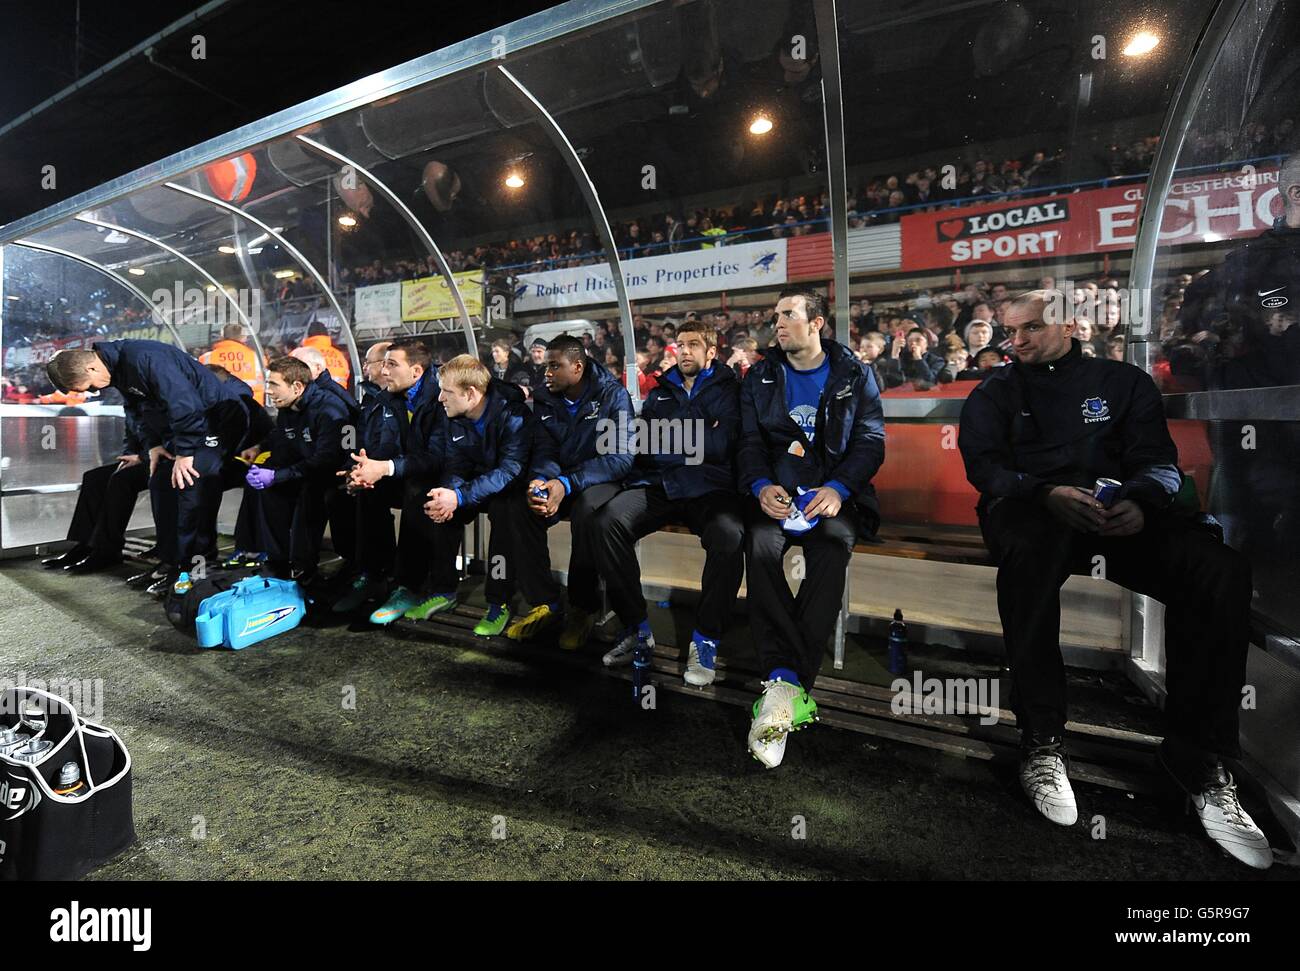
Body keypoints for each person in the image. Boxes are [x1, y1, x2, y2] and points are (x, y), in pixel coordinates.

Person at [957, 290, 1271, 869]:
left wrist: (1145, 502)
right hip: (1034, 512)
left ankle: (1199, 760)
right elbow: (984, 468)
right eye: (1011, 331)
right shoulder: (995, 390)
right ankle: (1042, 742)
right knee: (1027, 556)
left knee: (1217, 569)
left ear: (1071, 325)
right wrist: (1043, 492)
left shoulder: (1123, 382)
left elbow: (1156, 459)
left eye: (1030, 329)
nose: (1017, 341)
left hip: (1117, 513)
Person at [738, 287, 885, 769]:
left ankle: (783, 684)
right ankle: (788, 681)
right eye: (774, 316)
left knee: (834, 545)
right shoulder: (759, 376)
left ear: (817, 322)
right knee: (758, 544)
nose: (777, 324)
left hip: (832, 498)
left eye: (787, 315)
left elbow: (870, 441)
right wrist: (761, 485)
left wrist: (840, 488)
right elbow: (748, 443)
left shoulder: (854, 375)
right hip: (779, 498)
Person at [577, 321, 745, 684]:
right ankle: (637, 629)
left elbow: (723, 445)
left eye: (694, 345)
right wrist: (696, 437)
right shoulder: (663, 389)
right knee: (606, 522)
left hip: (709, 488)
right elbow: (643, 444)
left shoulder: (730, 389)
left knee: (729, 535)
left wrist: (670, 439)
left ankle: (706, 637)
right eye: (680, 345)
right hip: (663, 484)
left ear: (711, 352)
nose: (684, 351)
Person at [45, 340, 250, 597]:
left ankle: (197, 568)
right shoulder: (117, 367)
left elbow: (184, 403)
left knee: (189, 483)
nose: (94, 391)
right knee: (160, 480)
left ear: (92, 369)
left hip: (218, 423)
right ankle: (171, 562)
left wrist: (186, 452)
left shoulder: (147, 359)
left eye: (88, 387)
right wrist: (151, 445)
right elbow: (136, 409)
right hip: (189, 429)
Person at [501, 335, 634, 643]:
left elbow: (620, 459)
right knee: (520, 504)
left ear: (577, 366)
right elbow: (546, 449)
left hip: (603, 479)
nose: (547, 373)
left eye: (554, 366)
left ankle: (582, 607)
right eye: (546, 365)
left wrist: (565, 483)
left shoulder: (613, 395)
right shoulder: (547, 398)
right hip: (563, 478)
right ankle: (546, 601)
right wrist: (540, 479)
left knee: (587, 511)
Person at [401, 355, 533, 635]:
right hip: (478, 480)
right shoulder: (455, 416)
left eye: (446, 392)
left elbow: (510, 471)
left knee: (504, 510)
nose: (439, 399)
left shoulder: (514, 415)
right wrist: (449, 494)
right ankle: (443, 590)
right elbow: (455, 463)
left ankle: (499, 601)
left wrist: (460, 496)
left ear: (471, 394)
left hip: (510, 486)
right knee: (437, 503)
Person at [342, 340, 445, 624]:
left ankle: (409, 585)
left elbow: (435, 459)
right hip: (407, 470)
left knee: (417, 490)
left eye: (391, 364)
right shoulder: (389, 397)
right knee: (366, 489)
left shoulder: (440, 397)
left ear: (416, 371)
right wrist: (364, 469)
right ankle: (373, 573)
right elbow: (387, 444)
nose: (383, 371)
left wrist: (385, 467)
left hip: (440, 477)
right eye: (383, 364)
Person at [232, 356, 351, 581]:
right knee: (267, 489)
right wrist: (261, 451)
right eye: (268, 384)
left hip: (330, 474)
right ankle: (277, 561)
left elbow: (327, 460)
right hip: (305, 467)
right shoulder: (289, 405)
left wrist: (278, 475)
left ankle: (303, 568)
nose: (268, 391)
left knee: (310, 493)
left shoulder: (329, 410)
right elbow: (283, 437)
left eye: (274, 385)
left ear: (297, 387)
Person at [42, 411, 151, 573]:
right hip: (143, 457)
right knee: (94, 478)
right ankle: (86, 544)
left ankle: (107, 550)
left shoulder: (159, 394)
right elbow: (131, 432)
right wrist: (129, 454)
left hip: (168, 458)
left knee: (121, 479)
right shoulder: (134, 398)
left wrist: (143, 457)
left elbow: (173, 435)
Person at [199, 323, 266, 403]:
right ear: (243, 338)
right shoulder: (256, 357)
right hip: (253, 405)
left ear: (222, 337)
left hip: (222, 407)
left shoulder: (206, 358)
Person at [300, 320, 351, 389]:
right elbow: (346, 374)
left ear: (308, 335)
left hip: (313, 397)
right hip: (339, 396)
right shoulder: (339, 354)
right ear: (327, 334)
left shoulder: (301, 353)